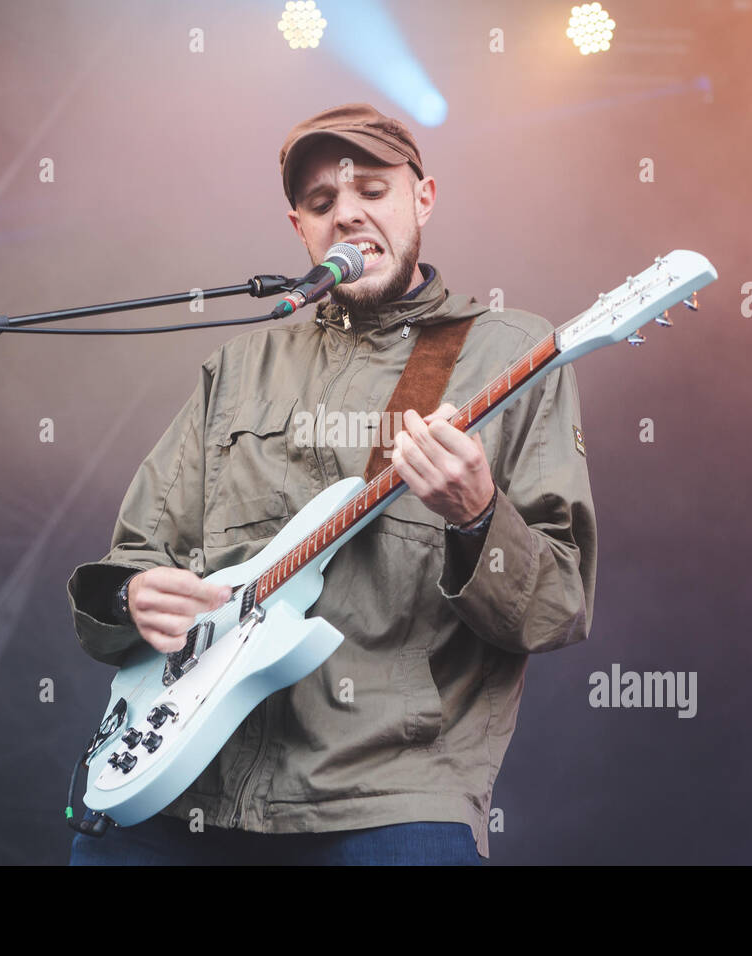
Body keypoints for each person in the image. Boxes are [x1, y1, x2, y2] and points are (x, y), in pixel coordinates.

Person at [67, 103, 598, 865]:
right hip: (177, 786)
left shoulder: (511, 355)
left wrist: (479, 517)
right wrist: (129, 597)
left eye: (372, 191)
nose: (347, 214)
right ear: (299, 230)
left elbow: (558, 606)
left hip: (388, 799)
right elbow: (135, 556)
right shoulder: (241, 367)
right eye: (322, 204)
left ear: (425, 197)